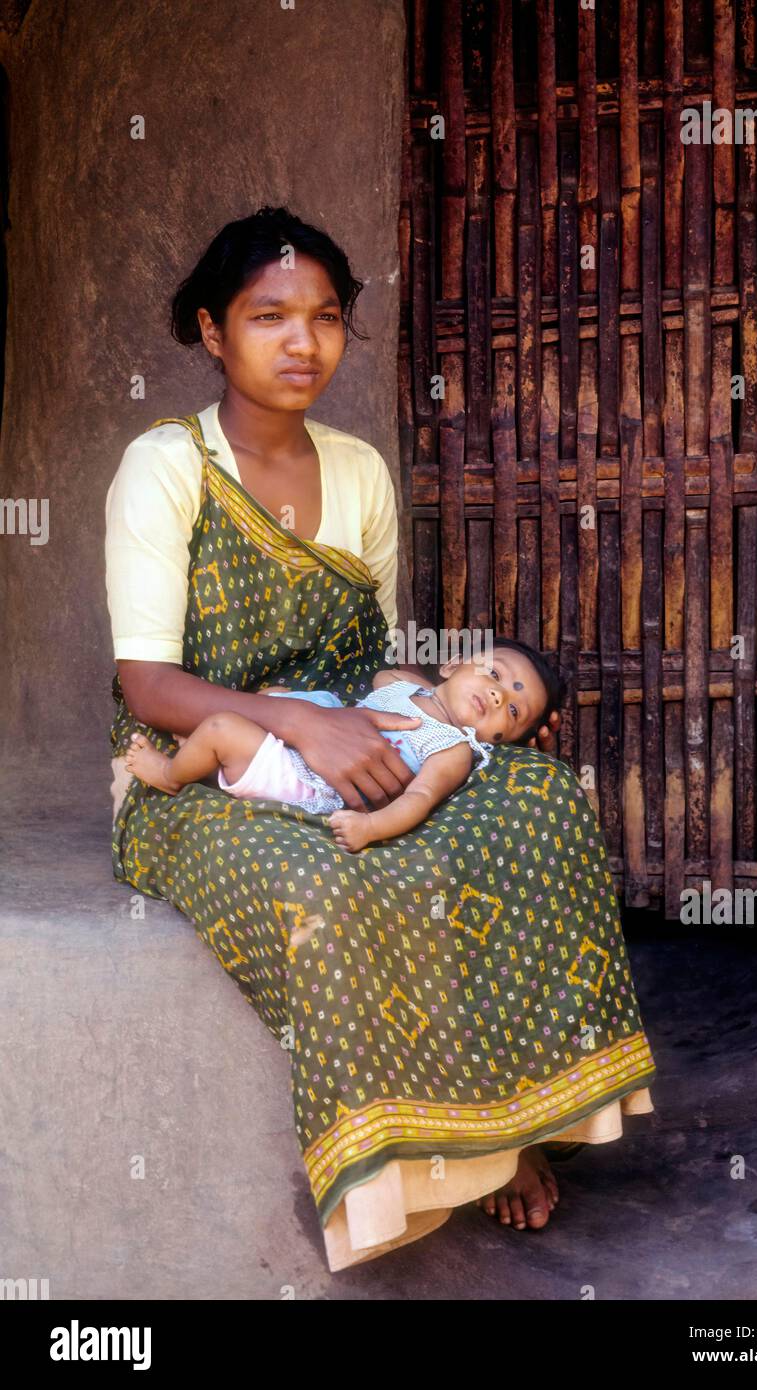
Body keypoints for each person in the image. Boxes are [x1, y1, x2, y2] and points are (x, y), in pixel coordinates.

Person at [105, 205, 656, 1271]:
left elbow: (372, 653)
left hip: (354, 731)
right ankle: (428, 1165)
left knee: (534, 801)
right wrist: (299, 724)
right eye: (268, 317)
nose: (300, 341)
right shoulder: (165, 467)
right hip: (200, 770)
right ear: (214, 332)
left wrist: (404, 735)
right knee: (327, 884)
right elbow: (146, 681)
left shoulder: (357, 469)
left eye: (322, 316)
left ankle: (510, 1131)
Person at [122, 640, 561, 854]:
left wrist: (371, 828)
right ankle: (207, 753)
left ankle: (170, 775)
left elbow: (419, 799)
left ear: (501, 741)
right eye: (495, 675)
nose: (502, 695)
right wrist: (433, 693)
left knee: (221, 726)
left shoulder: (454, 749)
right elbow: (383, 680)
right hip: (309, 740)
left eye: (516, 712)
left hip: (316, 783)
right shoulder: (410, 686)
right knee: (278, 695)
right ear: (451, 664)